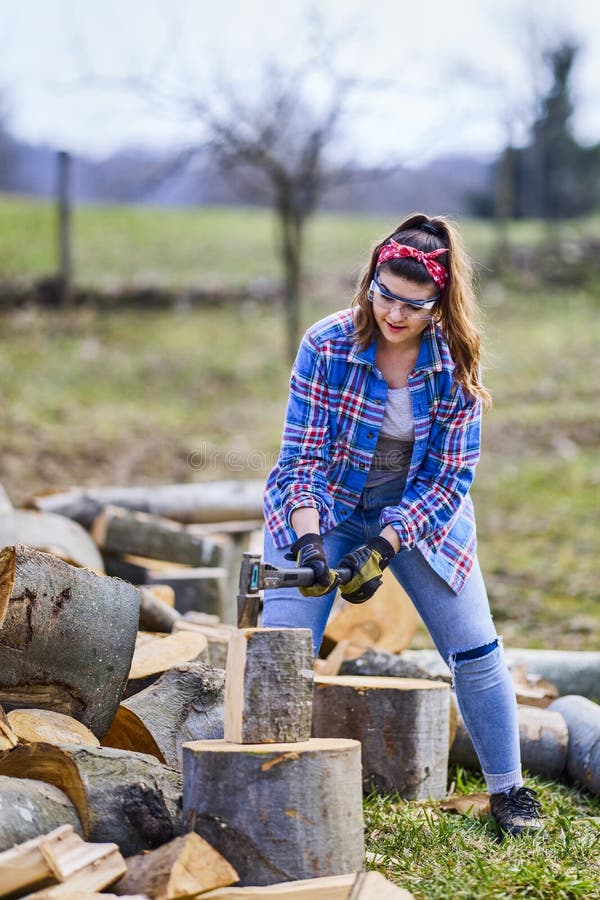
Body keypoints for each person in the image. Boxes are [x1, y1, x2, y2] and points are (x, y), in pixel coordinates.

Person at [262, 212, 543, 838]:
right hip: (325, 504)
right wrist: (310, 543)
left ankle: (510, 793)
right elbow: (301, 460)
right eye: (386, 295)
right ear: (371, 281)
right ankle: (264, 781)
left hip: (418, 515)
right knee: (279, 653)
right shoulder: (326, 344)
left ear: (438, 304)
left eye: (414, 306)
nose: (395, 314)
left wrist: (383, 548)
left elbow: (447, 482)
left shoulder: (456, 369)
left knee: (475, 650)